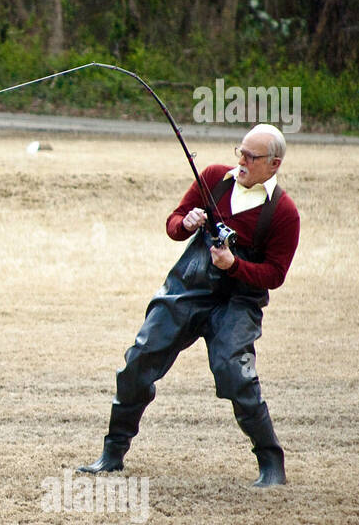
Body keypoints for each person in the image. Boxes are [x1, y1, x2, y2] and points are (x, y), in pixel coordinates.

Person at [77, 123, 301, 487]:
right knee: (139, 360)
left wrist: (235, 266)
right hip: (188, 288)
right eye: (239, 152)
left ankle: (271, 464)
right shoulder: (213, 178)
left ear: (274, 165)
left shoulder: (283, 213)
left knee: (235, 373)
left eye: (251, 156)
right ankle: (112, 453)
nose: (241, 160)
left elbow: (274, 274)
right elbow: (173, 224)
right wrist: (188, 221)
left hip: (237, 301)